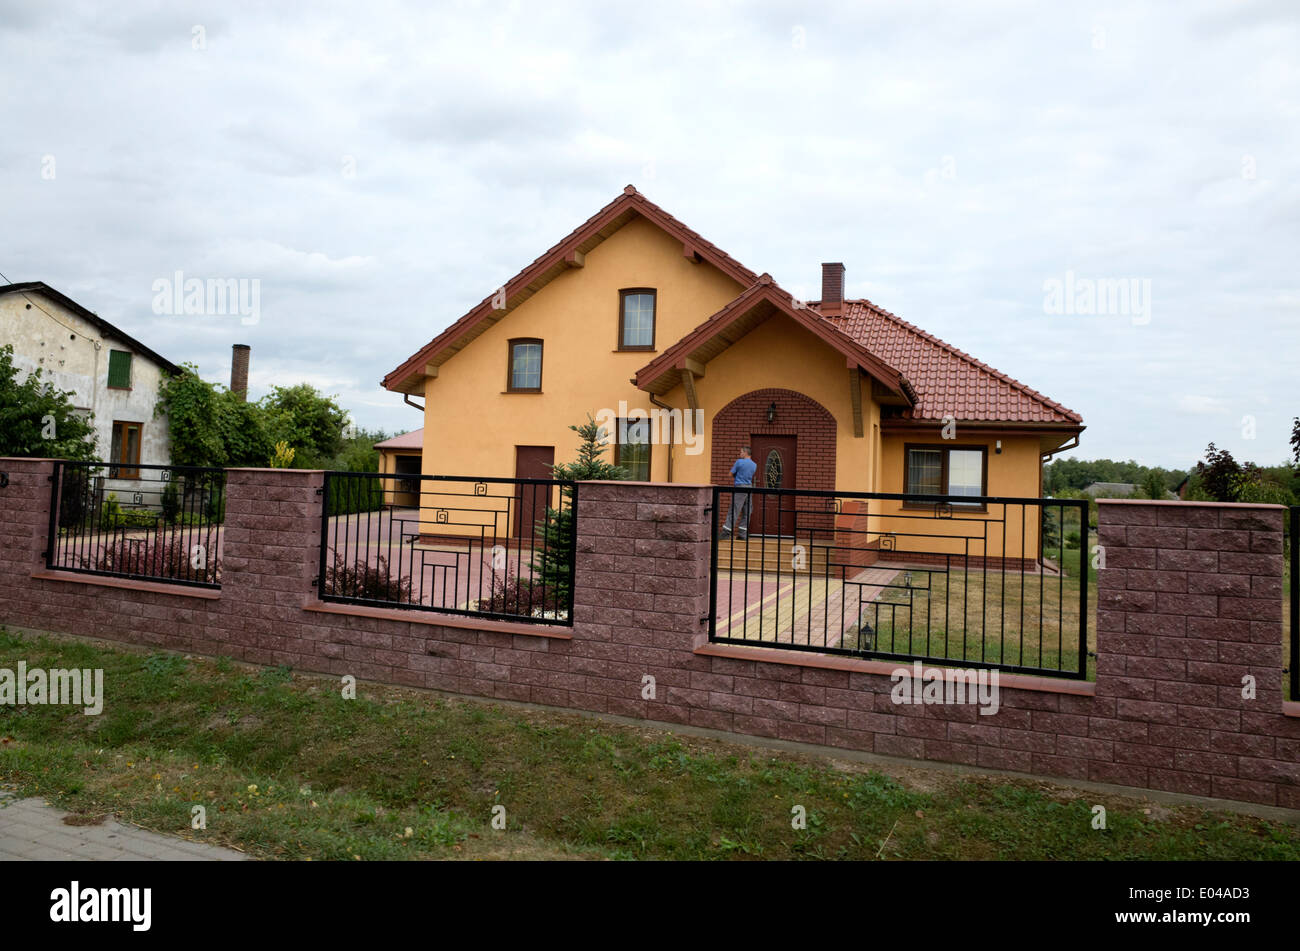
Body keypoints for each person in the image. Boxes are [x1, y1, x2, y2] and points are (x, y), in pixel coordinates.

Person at [720, 446, 757, 539]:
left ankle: (726, 532)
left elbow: (730, 474)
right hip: (749, 488)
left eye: (741, 452)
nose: (740, 454)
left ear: (745, 453)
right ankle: (742, 534)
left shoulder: (739, 462)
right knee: (747, 511)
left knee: (734, 509)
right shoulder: (754, 465)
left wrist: (737, 476)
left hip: (740, 487)